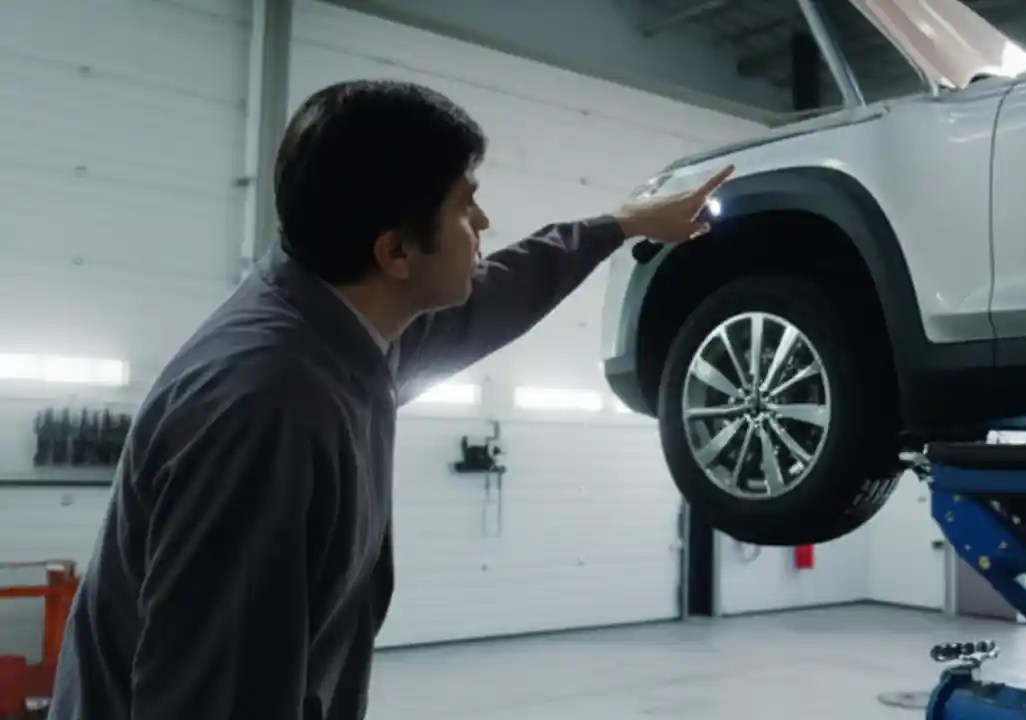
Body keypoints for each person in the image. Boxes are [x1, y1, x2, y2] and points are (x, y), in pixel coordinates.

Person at [47, 78, 733, 720]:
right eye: (466, 206)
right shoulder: (269, 410)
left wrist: (622, 225)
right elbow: (215, 698)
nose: (484, 221)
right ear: (397, 253)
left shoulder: (338, 315)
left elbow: (494, 297)